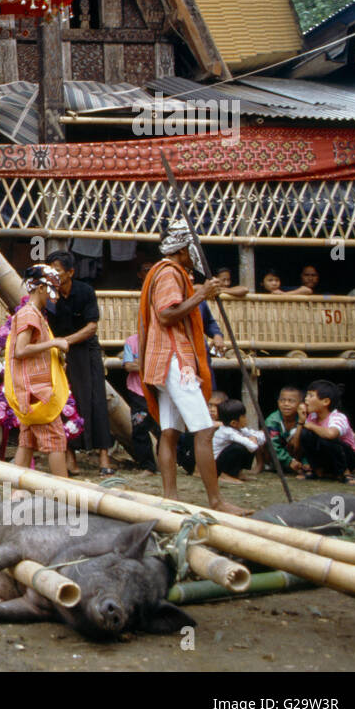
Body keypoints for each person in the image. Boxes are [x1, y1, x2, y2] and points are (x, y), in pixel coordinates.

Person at [137, 219, 247, 514]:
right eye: (191, 248)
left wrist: (203, 292)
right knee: (204, 429)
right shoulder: (170, 273)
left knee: (170, 431)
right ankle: (216, 501)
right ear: (183, 249)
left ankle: (171, 499)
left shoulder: (168, 272)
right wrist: (200, 295)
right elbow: (166, 315)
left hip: (164, 361)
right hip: (174, 359)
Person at [46, 250, 114, 476]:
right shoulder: (49, 296)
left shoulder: (85, 291)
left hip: (86, 350)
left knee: (96, 400)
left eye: (58, 269)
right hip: (60, 353)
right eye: (50, 270)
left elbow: (91, 326)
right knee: (67, 401)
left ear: (71, 272)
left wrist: (66, 341)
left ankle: (104, 456)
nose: (53, 274)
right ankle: (70, 457)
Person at [5, 265, 71, 478]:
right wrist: (54, 343)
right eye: (52, 288)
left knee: (27, 443)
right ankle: (65, 494)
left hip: (30, 391)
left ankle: (15, 493)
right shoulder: (29, 315)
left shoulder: (33, 314)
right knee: (56, 442)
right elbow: (21, 350)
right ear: (41, 288)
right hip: (37, 392)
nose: (55, 295)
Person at [292, 380, 355, 484]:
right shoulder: (312, 417)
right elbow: (296, 447)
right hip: (328, 458)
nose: (306, 399)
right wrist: (301, 422)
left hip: (348, 458)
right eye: (306, 395)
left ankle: (344, 473)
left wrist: (310, 425)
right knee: (306, 433)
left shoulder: (338, 417)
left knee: (326, 438)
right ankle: (317, 470)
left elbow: (331, 434)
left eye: (310, 396)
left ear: (325, 402)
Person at [120, 333, 160, 473]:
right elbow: (129, 366)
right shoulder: (132, 341)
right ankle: (147, 466)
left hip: (159, 392)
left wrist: (139, 364)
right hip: (137, 392)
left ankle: (165, 463)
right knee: (139, 428)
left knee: (163, 430)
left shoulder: (161, 339)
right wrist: (149, 365)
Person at [209, 399, 266, 483]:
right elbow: (253, 447)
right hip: (215, 465)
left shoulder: (240, 429)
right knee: (239, 447)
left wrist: (254, 437)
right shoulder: (228, 432)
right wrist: (253, 439)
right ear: (233, 423)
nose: (246, 419)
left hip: (221, 461)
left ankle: (237, 473)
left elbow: (261, 436)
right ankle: (223, 475)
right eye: (243, 417)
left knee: (246, 443)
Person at [263, 384, 306, 476]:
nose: (286, 404)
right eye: (282, 400)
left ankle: (305, 465)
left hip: (298, 456)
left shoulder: (305, 417)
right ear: (278, 402)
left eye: (291, 401)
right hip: (280, 459)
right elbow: (273, 445)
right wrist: (289, 461)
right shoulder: (273, 420)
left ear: (301, 404)